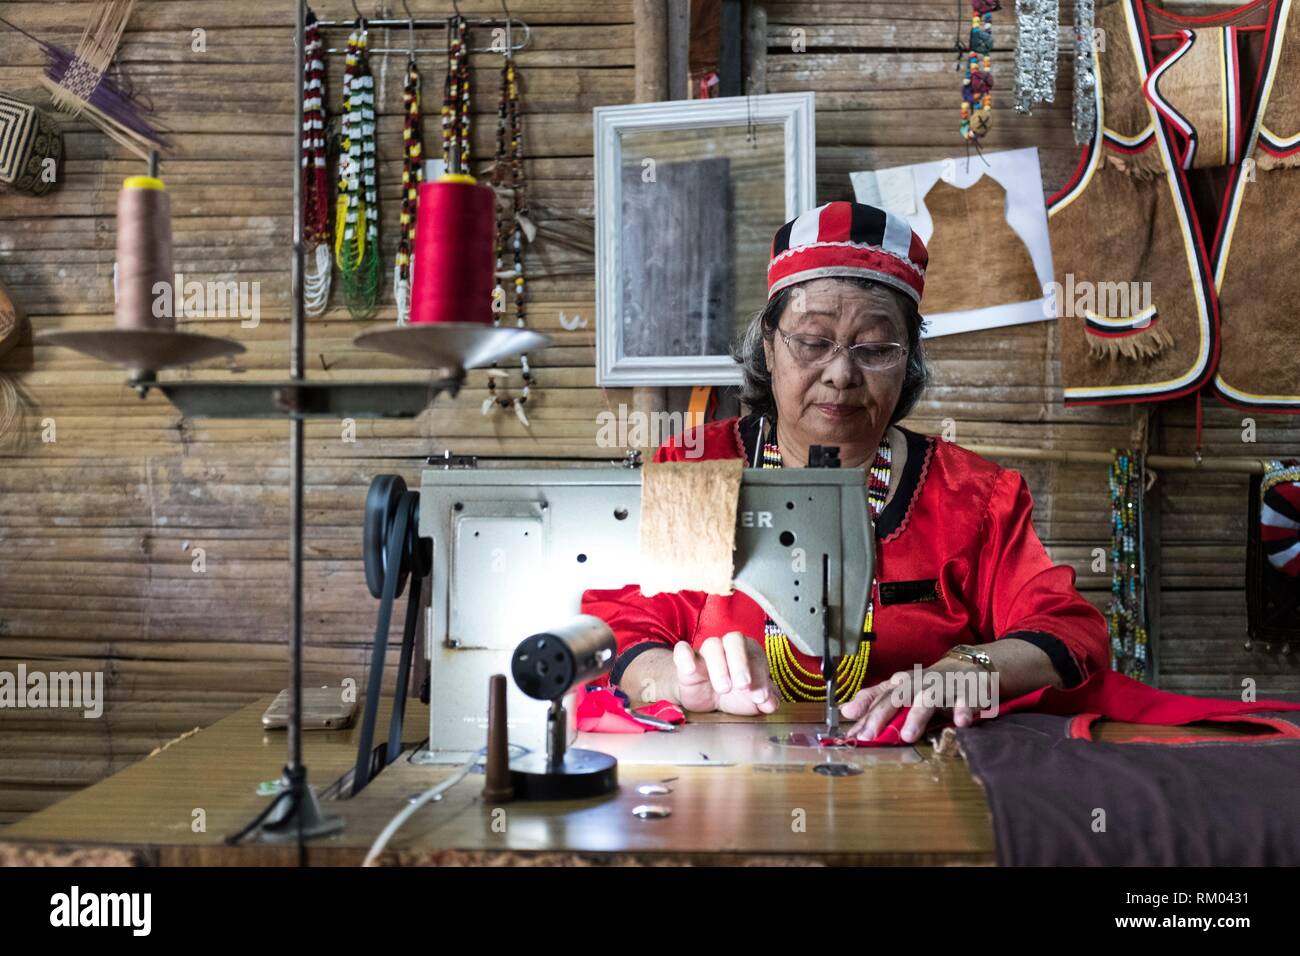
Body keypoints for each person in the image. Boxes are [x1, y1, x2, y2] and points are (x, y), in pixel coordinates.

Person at [581, 202, 1109, 744]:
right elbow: (622, 626)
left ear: (909, 361)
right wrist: (678, 680)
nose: (841, 374)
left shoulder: (974, 496)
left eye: (875, 349)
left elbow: (1070, 630)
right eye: (812, 342)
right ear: (769, 344)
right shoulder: (699, 468)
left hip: (917, 784)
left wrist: (971, 670)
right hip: (732, 780)